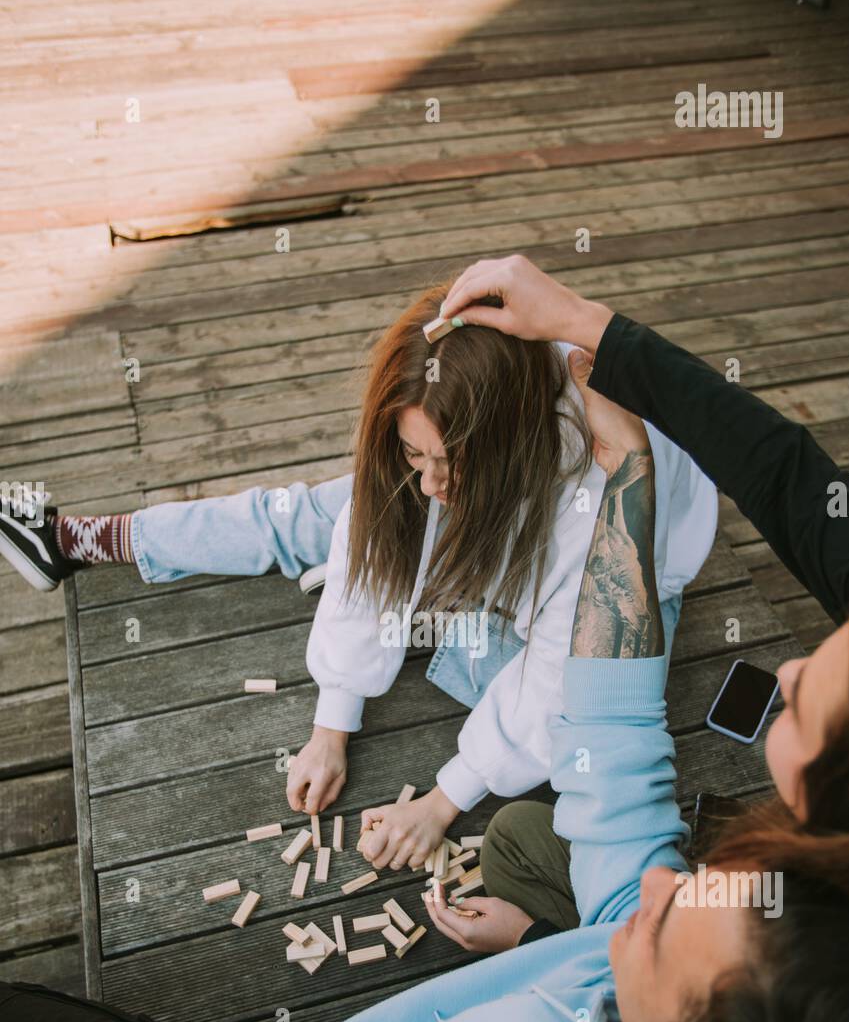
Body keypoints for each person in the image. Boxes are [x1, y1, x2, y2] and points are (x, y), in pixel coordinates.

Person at [0, 374, 849, 1022]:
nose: (648, 887)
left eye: (660, 928)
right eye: (688, 884)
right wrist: (628, 464)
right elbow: (611, 741)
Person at [0, 282, 716, 870]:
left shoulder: (595, 501)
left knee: (578, 739)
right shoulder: (440, 432)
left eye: (452, 463)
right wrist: (331, 721)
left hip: (635, 576)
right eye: (413, 453)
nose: (434, 484)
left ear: (506, 440)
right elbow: (369, 548)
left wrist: (441, 802)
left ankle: (449, 601)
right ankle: (78, 539)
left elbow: (559, 673)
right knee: (318, 511)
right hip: (502, 524)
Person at [423, 255, 849, 951]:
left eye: (821, 703)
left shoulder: (806, 953)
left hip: (694, 974)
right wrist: (582, 323)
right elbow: (787, 473)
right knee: (519, 833)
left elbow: (650, 936)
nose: (789, 672)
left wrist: (534, 941)